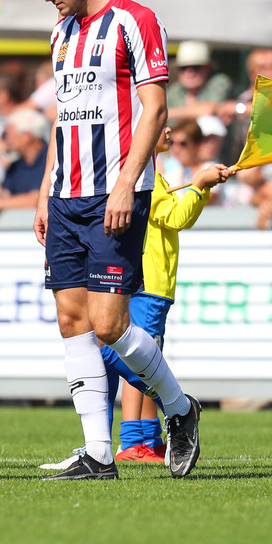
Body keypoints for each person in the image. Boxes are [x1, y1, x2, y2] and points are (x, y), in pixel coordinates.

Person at [28, 0, 201, 480]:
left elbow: (155, 108)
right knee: (71, 320)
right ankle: (99, 453)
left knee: (109, 324)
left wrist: (129, 182)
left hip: (114, 192)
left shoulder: (134, 21)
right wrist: (43, 190)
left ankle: (179, 408)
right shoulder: (61, 31)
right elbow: (64, 115)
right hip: (65, 196)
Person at [42, 127, 231, 470]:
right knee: (112, 351)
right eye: (163, 126)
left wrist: (198, 185)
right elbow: (176, 215)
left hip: (151, 285)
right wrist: (199, 185)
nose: (170, 130)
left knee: (123, 350)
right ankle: (138, 433)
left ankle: (140, 436)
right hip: (143, 283)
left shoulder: (148, 179)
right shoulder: (149, 177)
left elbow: (175, 217)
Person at [166, 41, 233, 125]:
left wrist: (170, 113)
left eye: (195, 67)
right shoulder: (175, 90)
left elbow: (209, 109)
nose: (189, 72)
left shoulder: (219, 81)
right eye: (184, 67)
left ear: (207, 68)